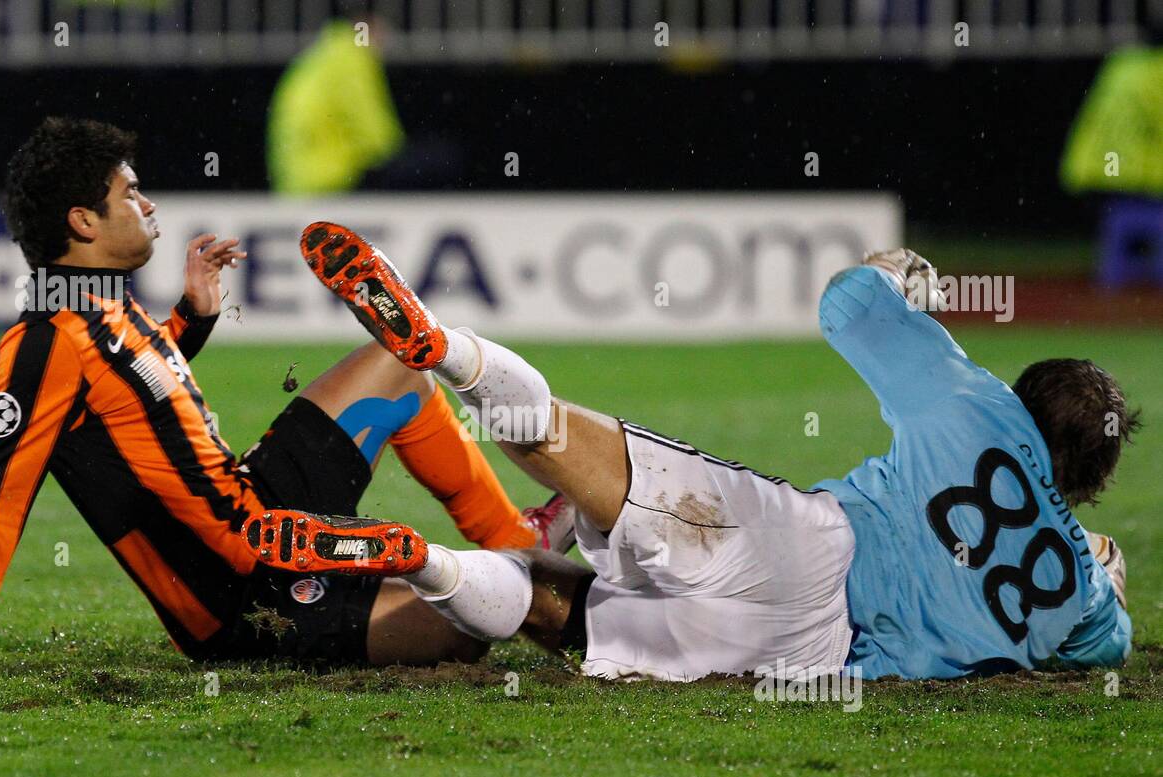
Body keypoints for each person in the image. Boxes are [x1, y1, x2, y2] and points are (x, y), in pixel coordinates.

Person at [272, 222, 1136, 682]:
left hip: (809, 545)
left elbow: (846, 304)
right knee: (569, 617)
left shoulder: (980, 406)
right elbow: (1109, 642)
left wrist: (896, 277)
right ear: (1088, 486)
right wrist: (1102, 570)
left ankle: (449, 352)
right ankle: (429, 565)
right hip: (810, 661)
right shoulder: (1087, 594)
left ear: (1023, 404)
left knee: (573, 452)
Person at [0, 118, 561, 671]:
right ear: (83, 222)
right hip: (236, 592)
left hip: (257, 507)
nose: (148, 204)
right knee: (478, 621)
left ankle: (506, 535)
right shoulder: (44, 342)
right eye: (129, 194)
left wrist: (191, 319)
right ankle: (434, 575)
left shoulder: (105, 309)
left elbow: (136, 405)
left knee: (400, 370)